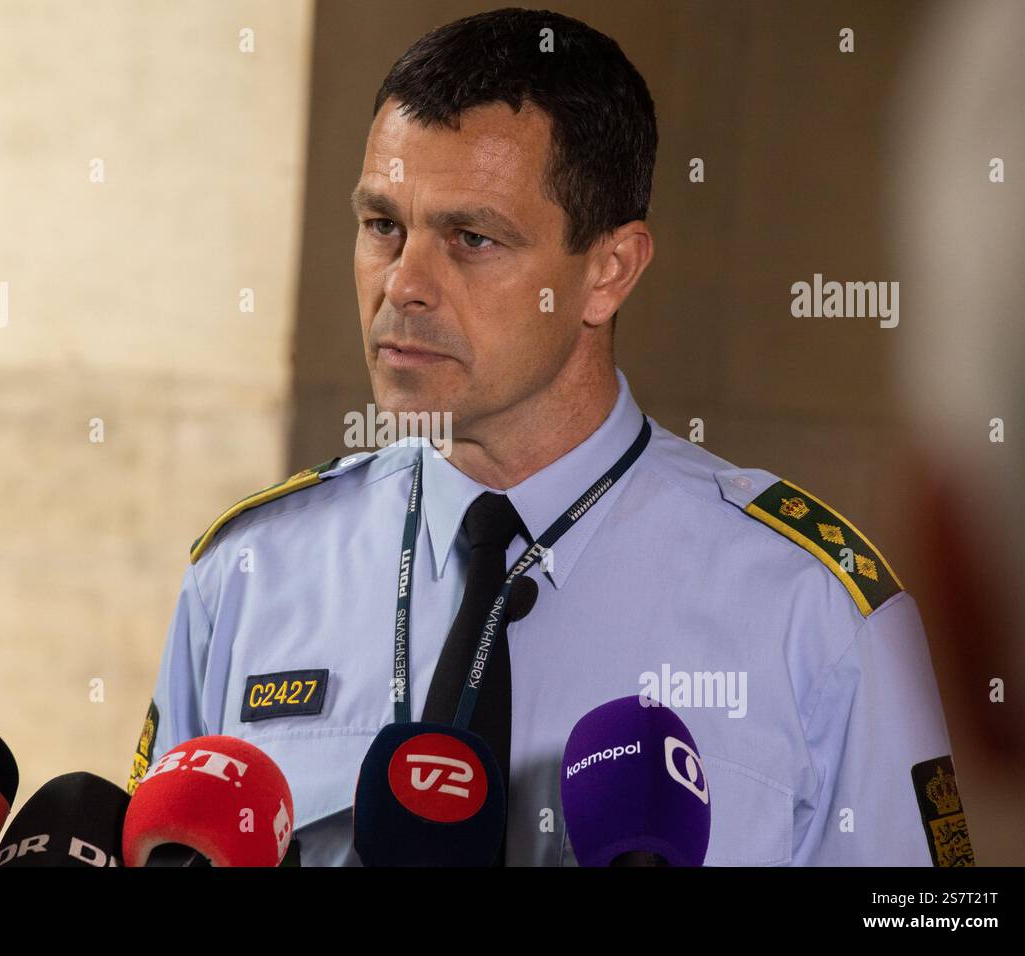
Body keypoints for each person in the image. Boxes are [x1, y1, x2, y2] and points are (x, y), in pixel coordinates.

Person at [130, 7, 970, 866]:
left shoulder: (814, 609)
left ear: (608, 272)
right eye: (383, 225)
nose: (404, 285)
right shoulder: (248, 574)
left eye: (472, 238)